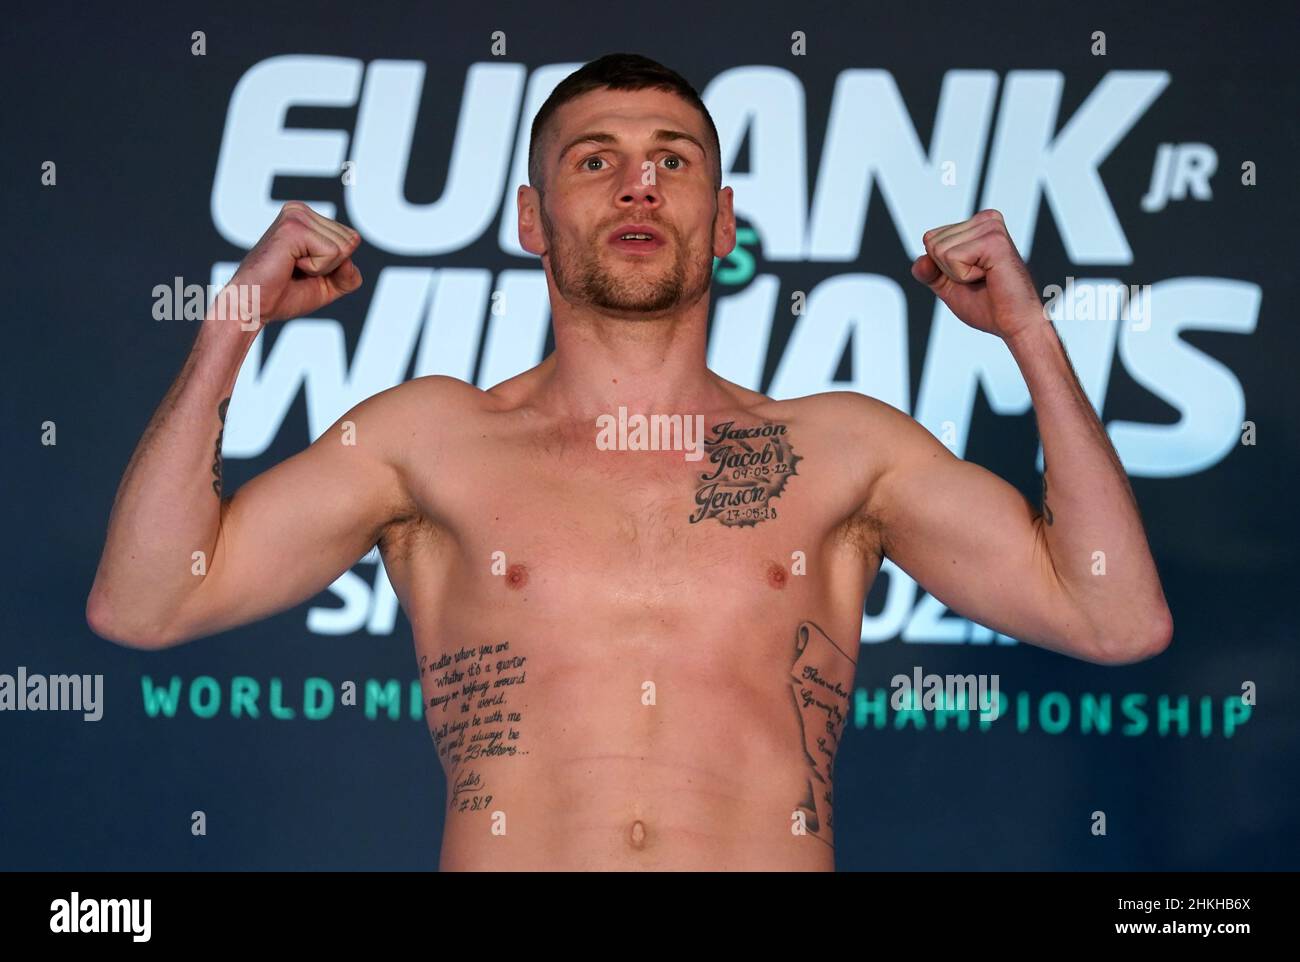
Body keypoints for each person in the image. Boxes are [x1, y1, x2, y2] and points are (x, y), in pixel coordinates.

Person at [86, 53, 1172, 871]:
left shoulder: (843, 447)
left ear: (722, 217)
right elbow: (144, 604)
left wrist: (1032, 335)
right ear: (530, 217)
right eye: (595, 160)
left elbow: (1111, 616)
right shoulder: (426, 439)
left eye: (673, 161)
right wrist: (234, 317)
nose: (638, 186)